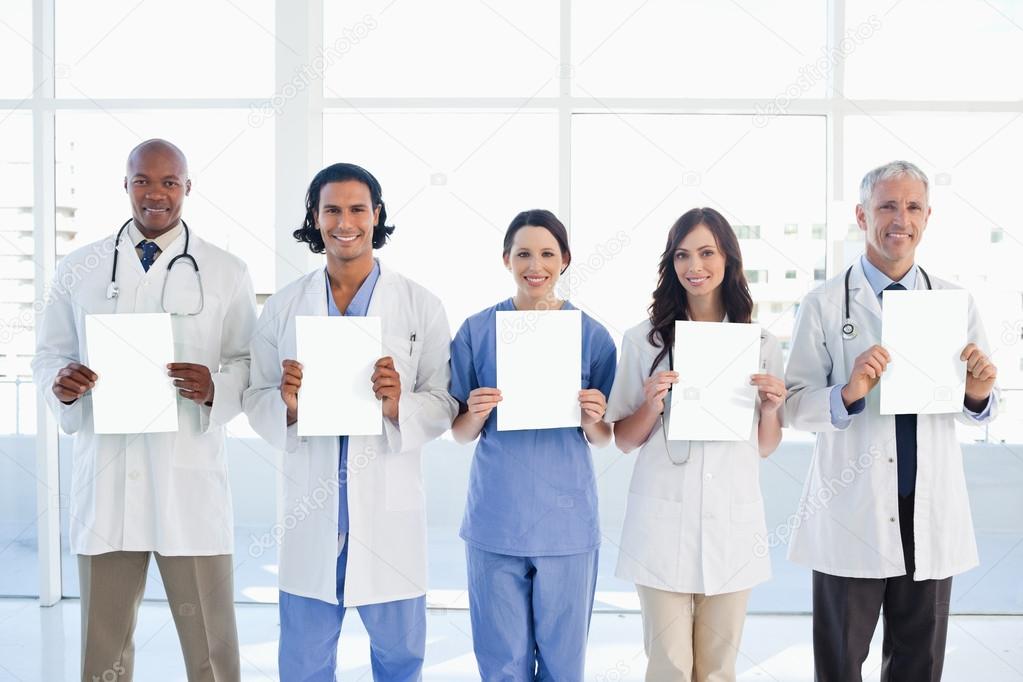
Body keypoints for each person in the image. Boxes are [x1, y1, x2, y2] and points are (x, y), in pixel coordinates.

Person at [32, 139, 256, 681]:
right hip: (107, 479)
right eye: (143, 181)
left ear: (187, 188)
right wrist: (61, 385)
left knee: (212, 649)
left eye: (169, 182)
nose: (156, 194)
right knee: (101, 650)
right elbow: (49, 355)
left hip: (186, 482)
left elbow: (249, 362)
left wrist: (214, 388)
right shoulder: (78, 267)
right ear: (126, 185)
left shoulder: (226, 270)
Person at [785, 160, 999, 682]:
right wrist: (847, 392)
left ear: (927, 218)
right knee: (839, 664)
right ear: (861, 215)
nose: (899, 218)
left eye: (912, 207)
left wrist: (977, 394)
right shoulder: (822, 303)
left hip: (927, 512)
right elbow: (793, 404)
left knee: (918, 665)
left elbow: (978, 406)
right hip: (851, 510)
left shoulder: (955, 301)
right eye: (886, 205)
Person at [242, 162, 457, 682]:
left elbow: (445, 400)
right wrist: (287, 405)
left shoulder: (419, 304)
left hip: (389, 516)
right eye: (331, 209)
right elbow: (254, 396)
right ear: (315, 218)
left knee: (400, 660)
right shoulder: (285, 306)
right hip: (312, 516)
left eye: (358, 209)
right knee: (303, 664)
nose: (345, 221)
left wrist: (395, 406)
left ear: (376, 215)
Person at [605, 207, 785, 682]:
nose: (695, 266)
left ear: (728, 259)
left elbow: (765, 445)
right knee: (670, 666)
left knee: (718, 669)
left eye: (707, 252)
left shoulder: (760, 342)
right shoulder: (643, 341)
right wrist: (652, 404)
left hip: (732, 525)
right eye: (683, 255)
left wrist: (769, 409)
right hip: (661, 527)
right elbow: (622, 439)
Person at [448, 208, 617, 681]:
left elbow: (603, 438)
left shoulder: (593, 336)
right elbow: (460, 433)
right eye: (523, 253)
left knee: (564, 666)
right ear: (506, 259)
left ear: (565, 259)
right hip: (496, 520)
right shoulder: (476, 331)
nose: (534, 264)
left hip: (567, 525)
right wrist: (476, 413)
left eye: (546, 253)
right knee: (502, 664)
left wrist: (593, 417)